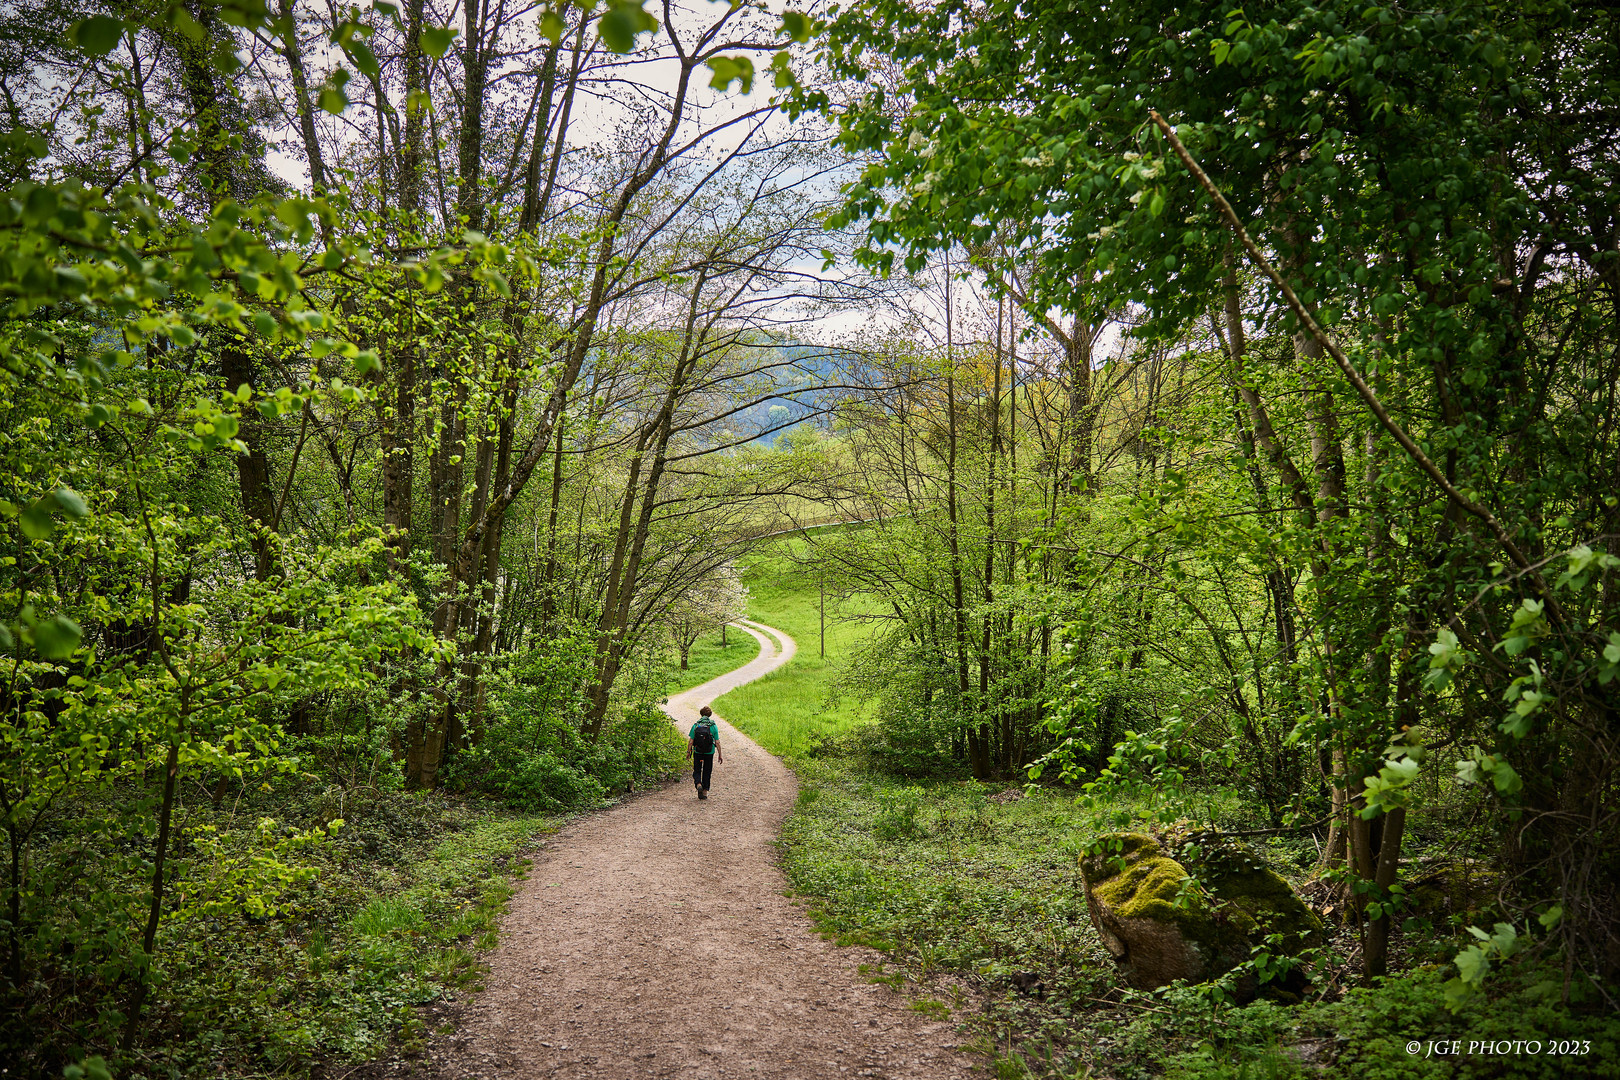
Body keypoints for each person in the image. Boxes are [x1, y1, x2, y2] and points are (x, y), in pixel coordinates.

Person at [687, 706, 723, 800]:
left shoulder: (696, 725)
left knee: (697, 769)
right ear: (710, 715)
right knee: (707, 771)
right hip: (709, 752)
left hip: (698, 751)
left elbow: (691, 741)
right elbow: (717, 742)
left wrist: (688, 752)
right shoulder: (713, 725)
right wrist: (720, 754)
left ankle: (698, 783)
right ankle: (705, 791)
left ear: (701, 714)